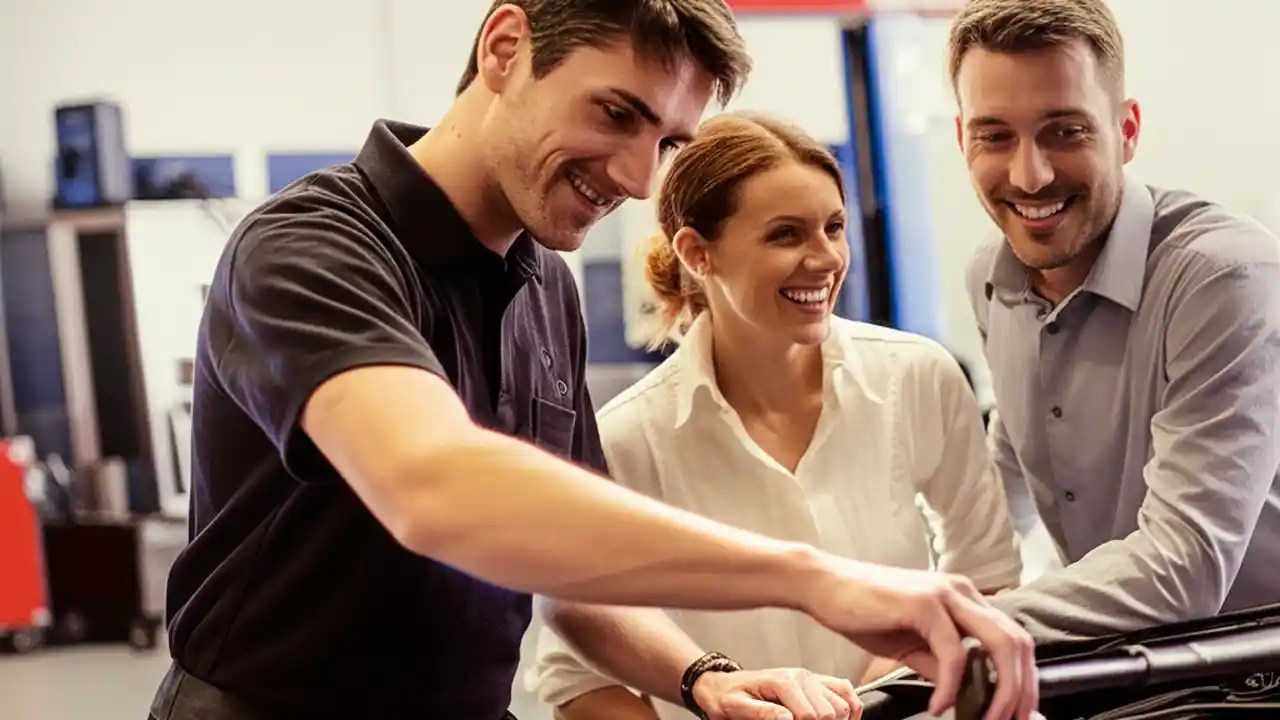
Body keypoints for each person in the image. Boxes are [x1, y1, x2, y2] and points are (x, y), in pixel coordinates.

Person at [149, 2, 1040, 719]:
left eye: (665, 142)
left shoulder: (543, 286)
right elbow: (433, 487)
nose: (638, 176)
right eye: (616, 114)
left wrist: (705, 677)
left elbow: (567, 577)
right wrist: (816, 579)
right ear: (505, 47)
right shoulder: (313, 248)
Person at [525, 112, 1024, 720]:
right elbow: (576, 678)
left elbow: (987, 573)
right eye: (785, 235)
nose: (824, 259)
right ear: (697, 253)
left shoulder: (916, 376)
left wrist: (878, 690)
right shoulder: (630, 438)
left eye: (833, 227)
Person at [949, 0, 1280, 642]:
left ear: (1126, 131)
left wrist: (951, 623)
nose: (1030, 174)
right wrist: (947, 583)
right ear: (964, 137)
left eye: (1064, 131)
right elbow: (1014, 461)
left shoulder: (1220, 276)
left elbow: (1184, 568)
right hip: (1127, 663)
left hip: (1252, 670)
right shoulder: (990, 275)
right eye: (996, 136)